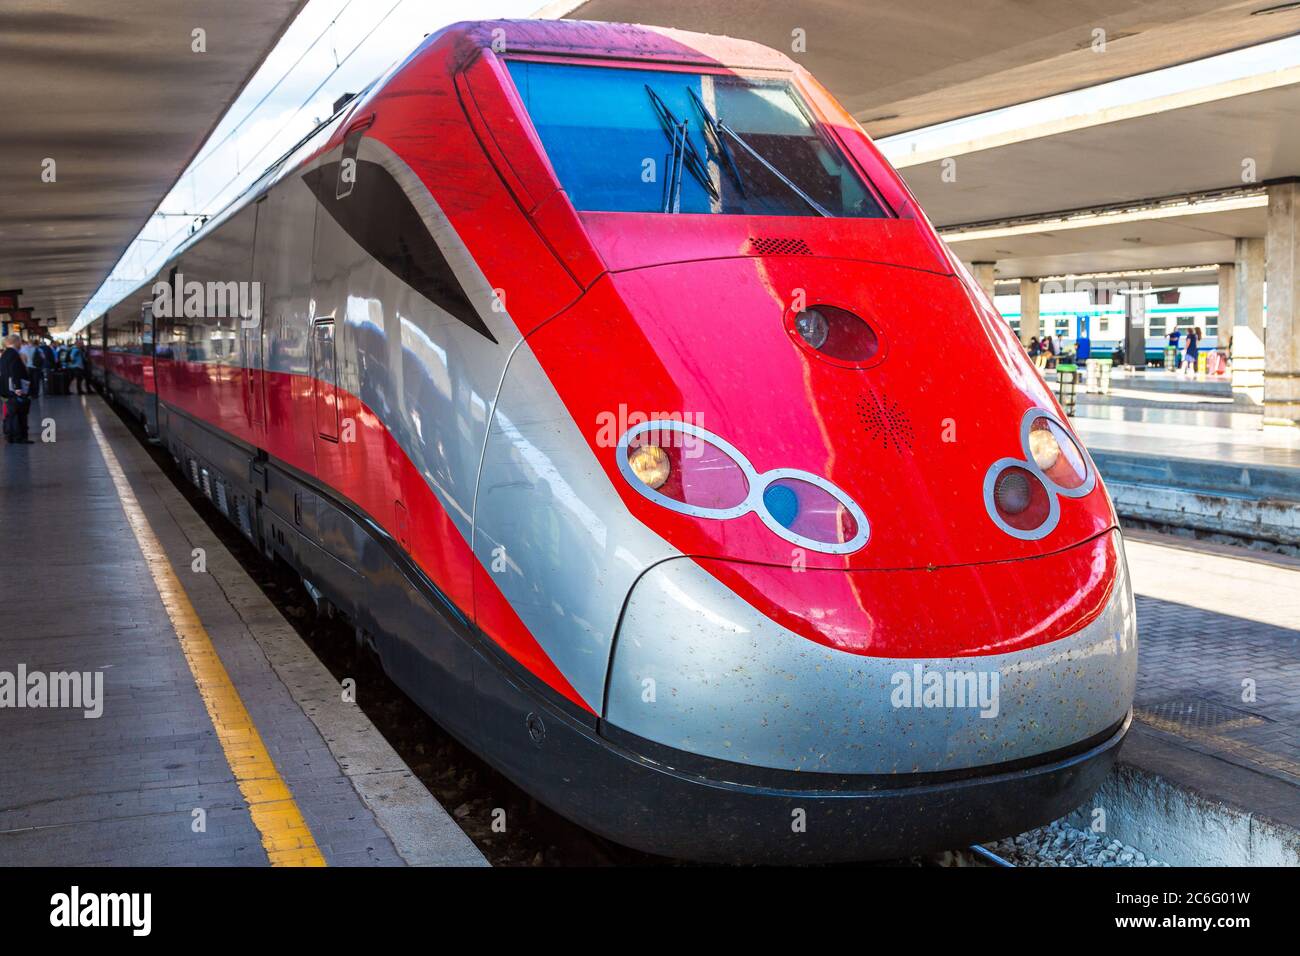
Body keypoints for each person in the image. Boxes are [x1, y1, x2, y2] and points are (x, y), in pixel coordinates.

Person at [1, 333, 33, 444]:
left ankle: (11, 435)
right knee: (19, 413)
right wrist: (17, 388)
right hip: (15, 390)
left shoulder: (5, 354)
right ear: (15, 342)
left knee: (12, 413)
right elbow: (14, 372)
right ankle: (19, 437)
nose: (20, 344)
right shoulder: (13, 354)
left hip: (7, 390)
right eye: (19, 341)